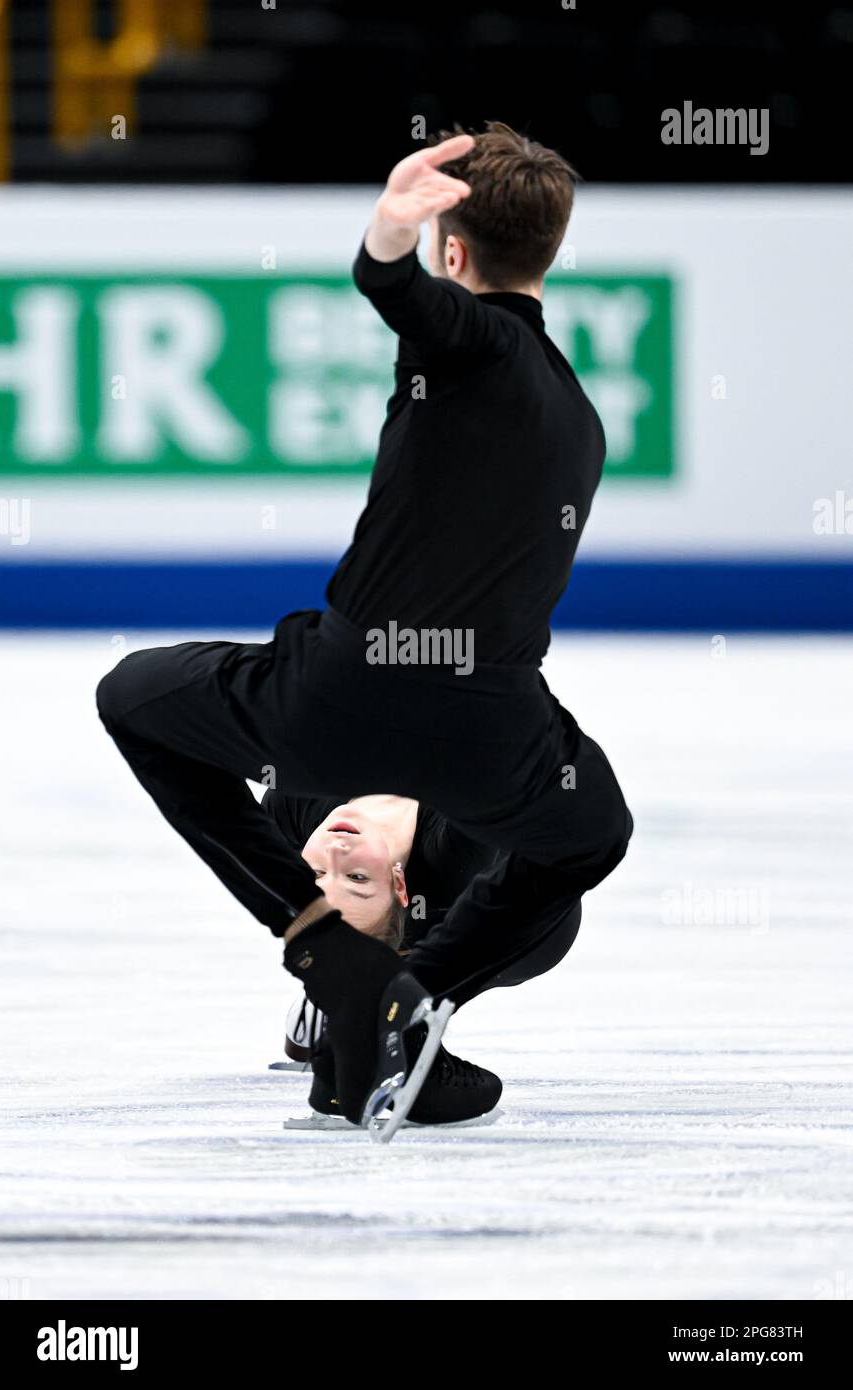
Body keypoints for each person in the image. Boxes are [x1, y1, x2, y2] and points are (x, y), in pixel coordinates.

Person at [96, 123, 633, 1138]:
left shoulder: (476, 347)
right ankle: (411, 997)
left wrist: (386, 238)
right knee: (588, 835)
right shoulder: (577, 414)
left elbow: (406, 301)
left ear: (454, 252)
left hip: (337, 697)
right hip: (490, 727)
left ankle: (331, 957)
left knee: (132, 698)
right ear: (550, 251)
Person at [266, 790, 582, 1125]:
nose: (334, 851)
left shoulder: (290, 806)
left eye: (316, 874)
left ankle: (354, 989)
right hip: (536, 931)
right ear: (399, 883)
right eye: (357, 877)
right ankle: (378, 1007)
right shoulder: (460, 849)